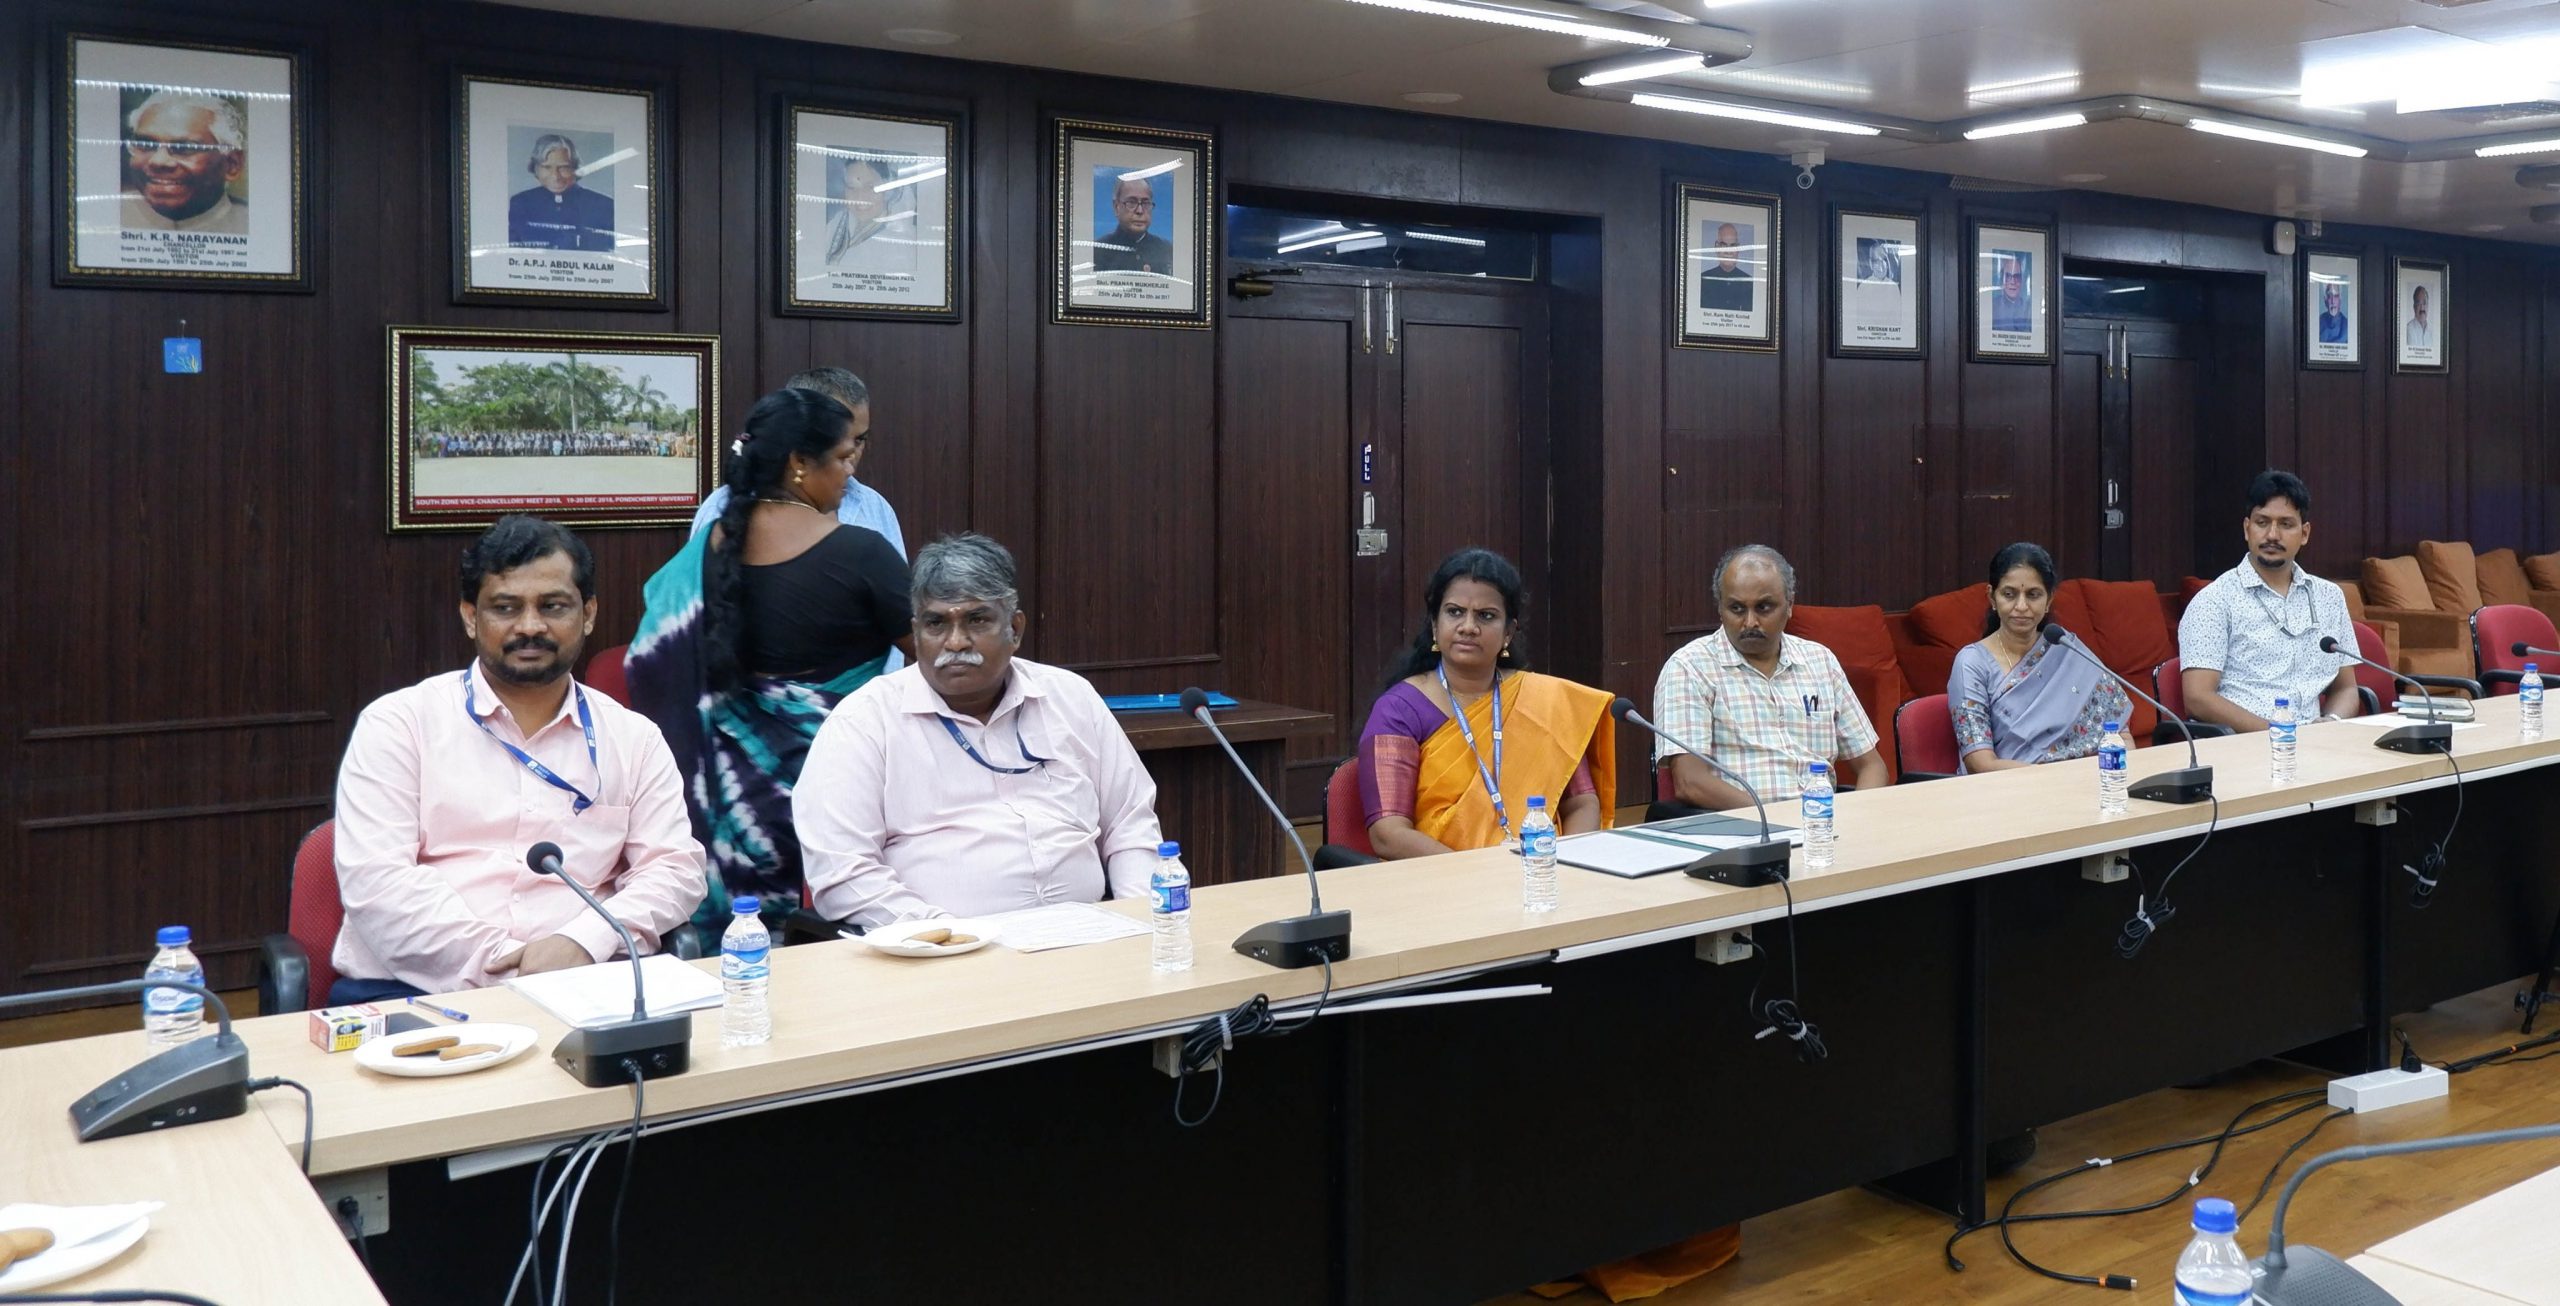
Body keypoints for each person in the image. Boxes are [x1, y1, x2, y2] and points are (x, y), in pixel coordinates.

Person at [330, 516, 704, 1003]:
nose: (530, 626)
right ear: (471, 617)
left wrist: (582, 941)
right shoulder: (399, 724)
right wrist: (512, 966)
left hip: (587, 984)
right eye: (505, 608)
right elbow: (379, 886)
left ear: (588, 614)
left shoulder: (633, 738)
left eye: (553, 607)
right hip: (411, 993)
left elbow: (674, 869)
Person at [629, 387, 913, 924]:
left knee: (746, 952)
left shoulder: (704, 549)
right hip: (840, 804)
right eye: (843, 456)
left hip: (723, 812)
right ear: (799, 464)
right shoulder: (862, 552)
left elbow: (648, 662)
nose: (850, 473)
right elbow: (941, 666)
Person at [795, 532, 1164, 928]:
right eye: (936, 623)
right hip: (936, 958)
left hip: (1088, 941)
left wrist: (1141, 920)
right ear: (915, 633)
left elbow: (1131, 827)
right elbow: (843, 874)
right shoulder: (864, 723)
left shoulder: (1070, 697)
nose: (956, 642)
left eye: (977, 620)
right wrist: (947, 937)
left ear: (1015, 629)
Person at [1354, 549, 1616, 859]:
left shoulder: (1540, 700)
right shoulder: (1399, 710)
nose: (1468, 626)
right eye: (1454, 612)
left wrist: (1564, 865)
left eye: (1486, 616)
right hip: (1444, 883)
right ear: (1435, 626)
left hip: (1543, 874)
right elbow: (1388, 833)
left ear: (1508, 632)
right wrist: (1475, 876)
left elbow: (1582, 802)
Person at [692, 367, 907, 669]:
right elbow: (693, 621)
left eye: (860, 440)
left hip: (868, 708)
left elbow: (903, 624)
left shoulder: (874, 508)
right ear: (800, 451)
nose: (853, 456)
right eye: (843, 443)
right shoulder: (722, 511)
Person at [1654, 544, 1889, 809]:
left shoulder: (1820, 661)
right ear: (1720, 608)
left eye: (1764, 607)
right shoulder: (1689, 668)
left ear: (1789, 605)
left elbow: (1872, 766)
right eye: (1737, 609)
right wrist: (1776, 821)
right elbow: (1690, 782)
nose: (1750, 622)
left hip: (1821, 826)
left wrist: (1856, 819)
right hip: (1743, 831)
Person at [2178, 469, 2357, 732]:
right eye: (2262, 522)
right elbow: (2198, 698)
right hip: (2246, 746)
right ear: (2246, 529)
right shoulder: (2215, 601)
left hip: (2318, 746)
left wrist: (2331, 724)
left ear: (2304, 533)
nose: (2272, 535)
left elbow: (2346, 688)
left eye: (2286, 524)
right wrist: (2280, 733)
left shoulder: (2329, 597)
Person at [1949, 543, 2131, 772]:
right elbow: (1980, 763)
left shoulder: (2066, 648)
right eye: (2009, 594)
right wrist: (2056, 781)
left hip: (2085, 787)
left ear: (2049, 599)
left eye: (2033, 595)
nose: (2021, 606)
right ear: (1992, 597)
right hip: (2007, 792)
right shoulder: (1972, 664)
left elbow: (2121, 735)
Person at [119, 91, 247, 234]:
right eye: (146, 145)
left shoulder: (258, 227)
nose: (158, 161)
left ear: (232, 164)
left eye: (184, 148)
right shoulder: (108, 217)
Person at [508, 133, 615, 252]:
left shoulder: (604, 206)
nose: (555, 176)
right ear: (535, 168)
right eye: (547, 167)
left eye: (563, 168)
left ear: (576, 169)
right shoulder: (520, 204)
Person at [825, 153, 919, 276]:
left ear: (888, 190)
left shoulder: (907, 241)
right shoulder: (836, 223)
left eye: (870, 187)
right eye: (851, 187)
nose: (860, 197)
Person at [1090, 174, 1175, 274]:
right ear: (1116, 207)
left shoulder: (1167, 251)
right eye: (1131, 202)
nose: (1139, 210)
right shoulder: (1097, 251)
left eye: (1145, 203)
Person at [1698, 222, 1753, 311]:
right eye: (1724, 245)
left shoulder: (1750, 283)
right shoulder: (1702, 281)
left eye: (1733, 246)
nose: (1728, 251)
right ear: (1716, 247)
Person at [1991, 254, 2032, 332]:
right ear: (2002, 280)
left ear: (2022, 280)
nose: (2012, 282)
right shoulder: (1992, 306)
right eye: (2008, 276)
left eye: (2017, 276)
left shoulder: (2029, 309)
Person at [2405, 283, 2432, 349]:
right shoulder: (2408, 329)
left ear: (2428, 306)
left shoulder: (2432, 332)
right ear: (2414, 307)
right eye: (2418, 303)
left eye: (2424, 303)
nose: (2422, 308)